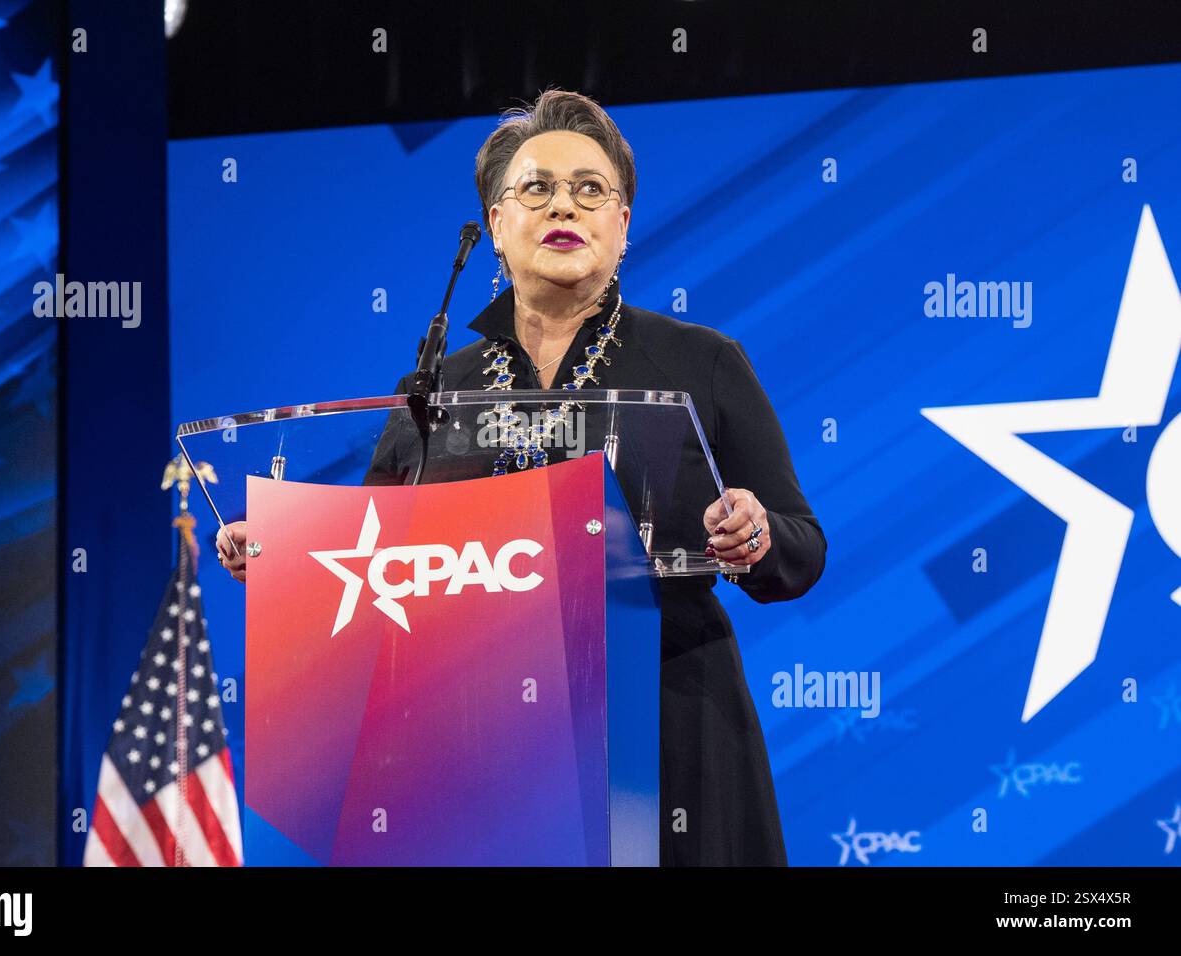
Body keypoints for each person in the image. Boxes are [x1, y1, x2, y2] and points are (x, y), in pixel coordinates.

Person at [217, 88, 826, 866]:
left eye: (590, 189)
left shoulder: (702, 363)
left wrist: (756, 531)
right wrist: (281, 553)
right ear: (497, 227)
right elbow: (369, 553)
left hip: (666, 728)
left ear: (622, 226)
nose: (563, 205)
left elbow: (803, 549)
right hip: (484, 746)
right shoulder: (436, 388)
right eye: (535, 188)